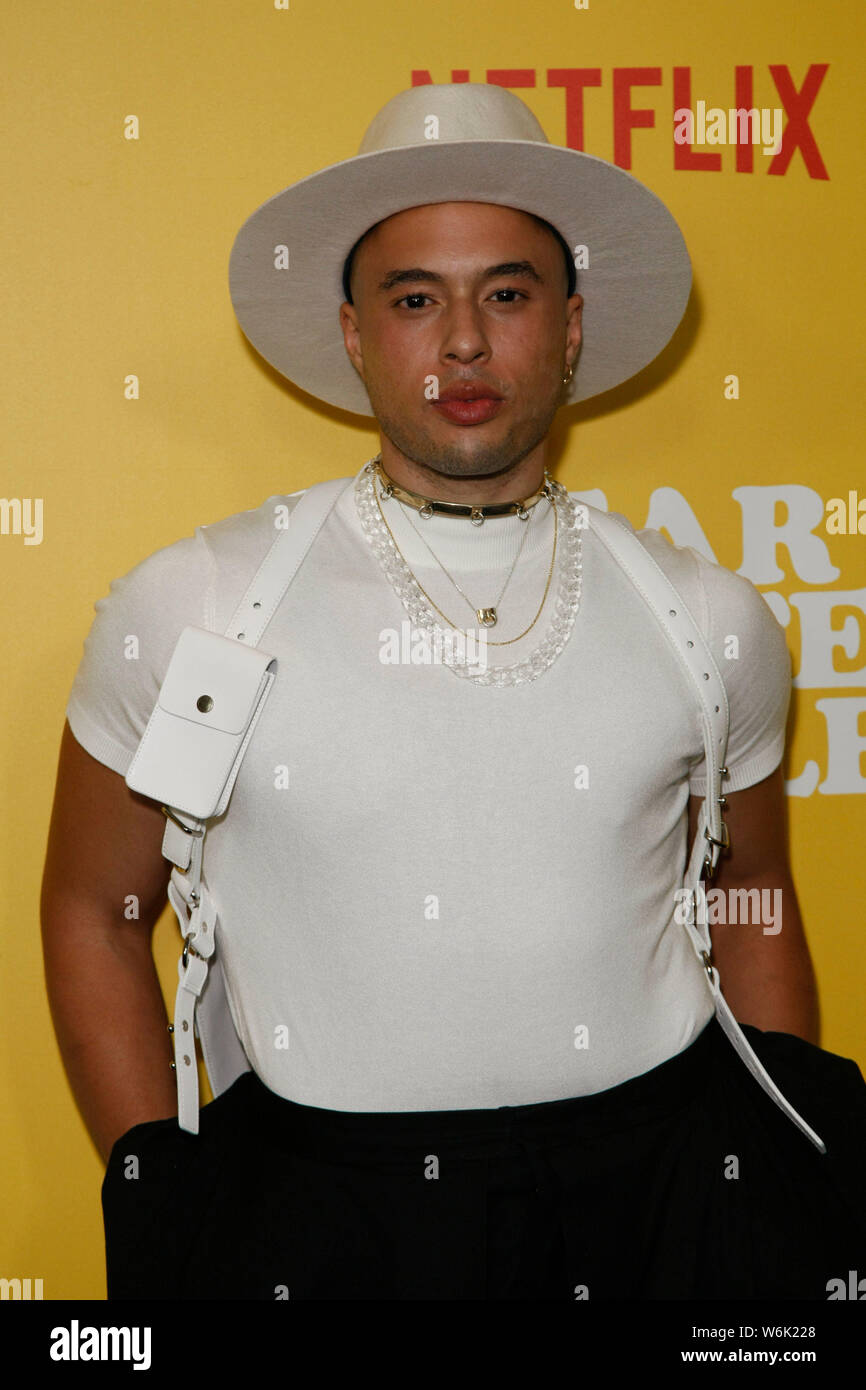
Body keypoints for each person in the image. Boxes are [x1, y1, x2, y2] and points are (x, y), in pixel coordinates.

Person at [41, 81, 866, 1301]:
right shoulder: (195, 602)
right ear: (354, 332)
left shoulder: (707, 616)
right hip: (319, 1214)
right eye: (415, 299)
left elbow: (748, 889)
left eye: (508, 294)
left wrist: (777, 1140)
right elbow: (94, 909)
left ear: (572, 327)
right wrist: (156, 1182)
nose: (464, 343)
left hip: (665, 1203)